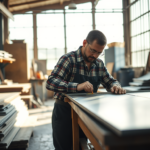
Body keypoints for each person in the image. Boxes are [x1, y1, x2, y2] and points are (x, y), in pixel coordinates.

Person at [46, 30, 126, 150]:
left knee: (81, 145)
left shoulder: (99, 64)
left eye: (99, 53)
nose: (95, 55)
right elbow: (51, 82)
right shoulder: (68, 59)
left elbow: (110, 81)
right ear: (84, 43)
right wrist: (77, 86)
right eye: (93, 50)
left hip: (85, 115)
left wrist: (115, 86)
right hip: (64, 113)